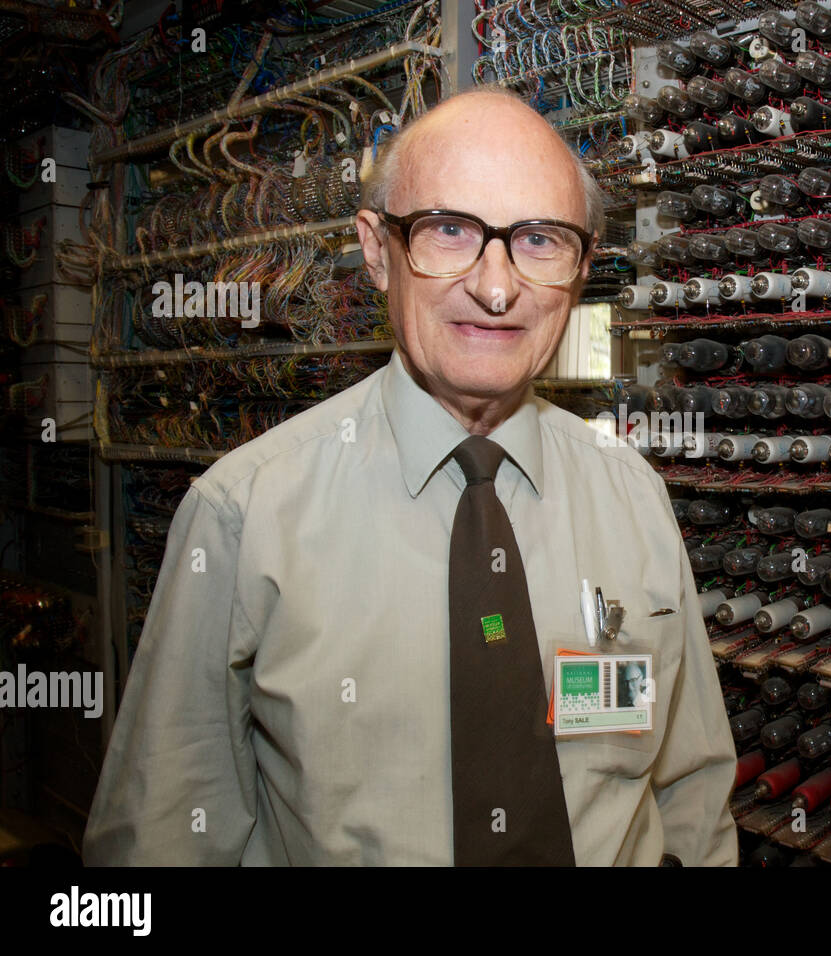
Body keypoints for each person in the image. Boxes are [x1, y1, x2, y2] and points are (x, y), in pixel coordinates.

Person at [82, 87, 739, 866]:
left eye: (539, 239)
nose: (496, 289)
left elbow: (693, 795)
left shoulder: (631, 496)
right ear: (374, 248)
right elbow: (160, 842)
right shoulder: (244, 514)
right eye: (450, 229)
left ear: (584, 263)